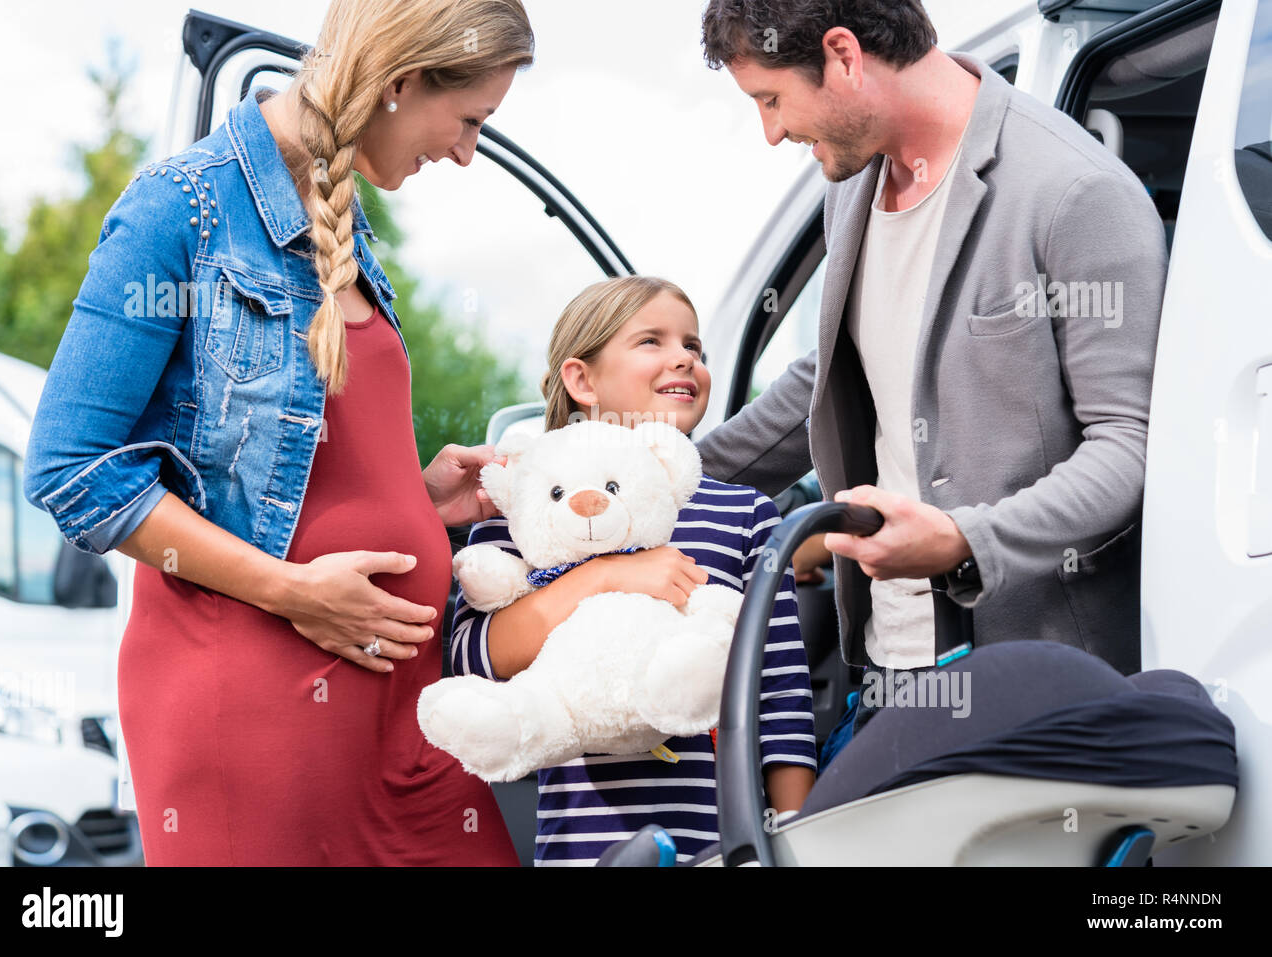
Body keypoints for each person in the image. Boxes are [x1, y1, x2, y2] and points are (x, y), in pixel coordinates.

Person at [22, 0, 536, 866]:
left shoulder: (343, 216)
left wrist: (416, 493)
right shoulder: (178, 208)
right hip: (255, 700)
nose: (465, 151)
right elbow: (71, 468)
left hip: (403, 702)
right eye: (470, 120)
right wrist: (295, 590)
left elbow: (295, 460)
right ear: (402, 81)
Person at [694, 0, 1168, 734]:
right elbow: (829, 378)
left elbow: (1127, 449)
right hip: (887, 672)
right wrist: (654, 483)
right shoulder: (851, 190)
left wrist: (962, 541)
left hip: (1034, 687)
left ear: (844, 55)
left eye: (771, 98)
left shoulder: (1075, 191)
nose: (772, 131)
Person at [449, 276, 817, 865]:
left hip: (723, 844)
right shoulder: (524, 510)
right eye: (653, 340)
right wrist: (603, 578)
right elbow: (474, 662)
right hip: (581, 850)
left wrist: (797, 835)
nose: (685, 359)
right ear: (582, 380)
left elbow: (779, 692)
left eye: (695, 347)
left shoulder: (746, 513)